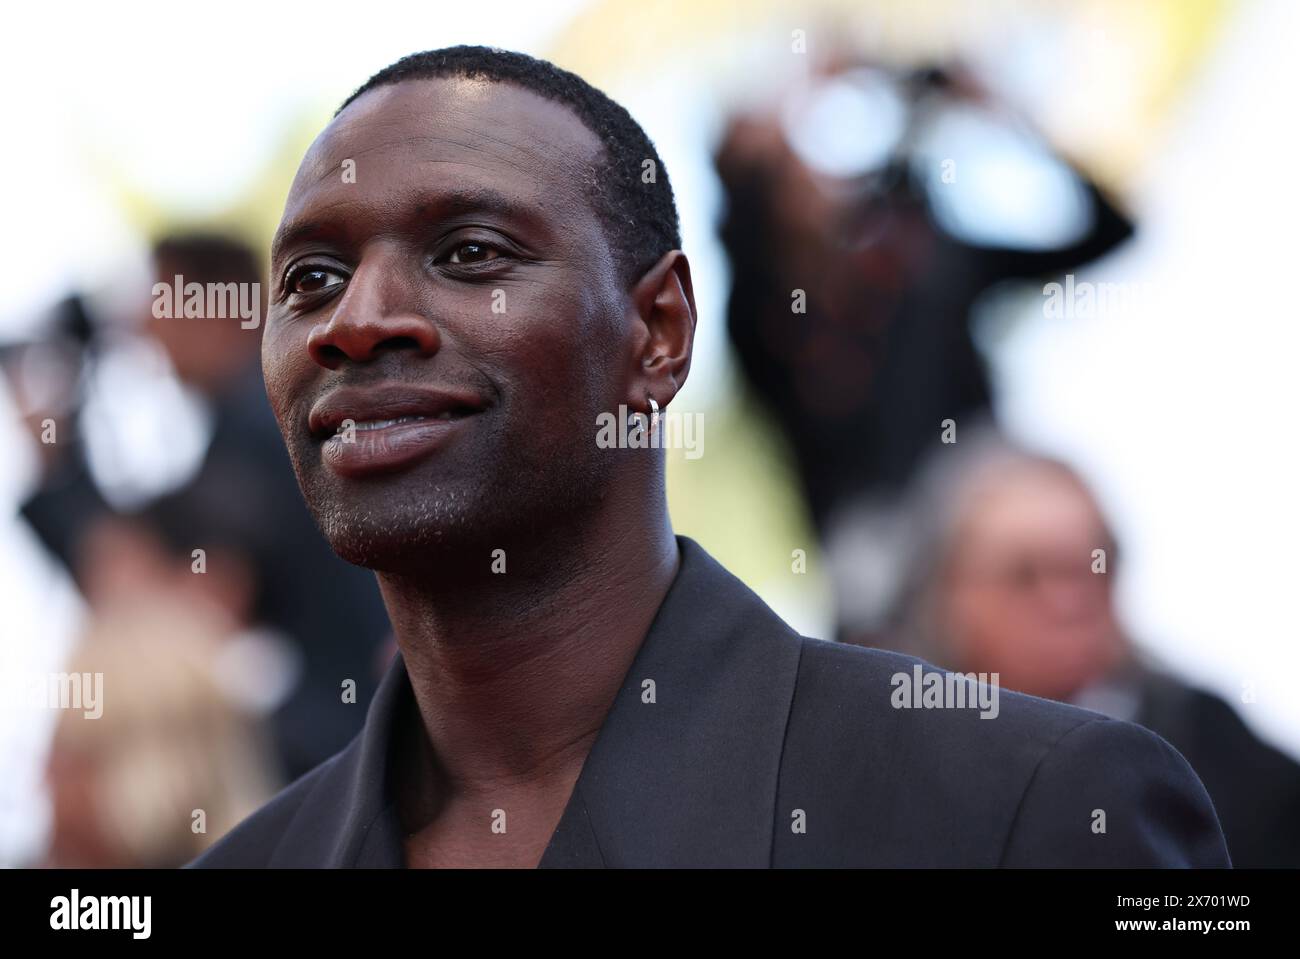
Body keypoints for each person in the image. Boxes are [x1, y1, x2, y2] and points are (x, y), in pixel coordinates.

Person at [191, 46, 1227, 868]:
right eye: (312, 276)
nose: (358, 320)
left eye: (471, 254)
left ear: (658, 335)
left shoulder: (1035, 807)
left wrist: (994, 106)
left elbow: (1103, 226)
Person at [882, 424, 1300, 867]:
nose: (1071, 600)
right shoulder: (895, 761)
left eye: (1096, 563)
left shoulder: (1210, 742)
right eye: (1026, 574)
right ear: (947, 596)